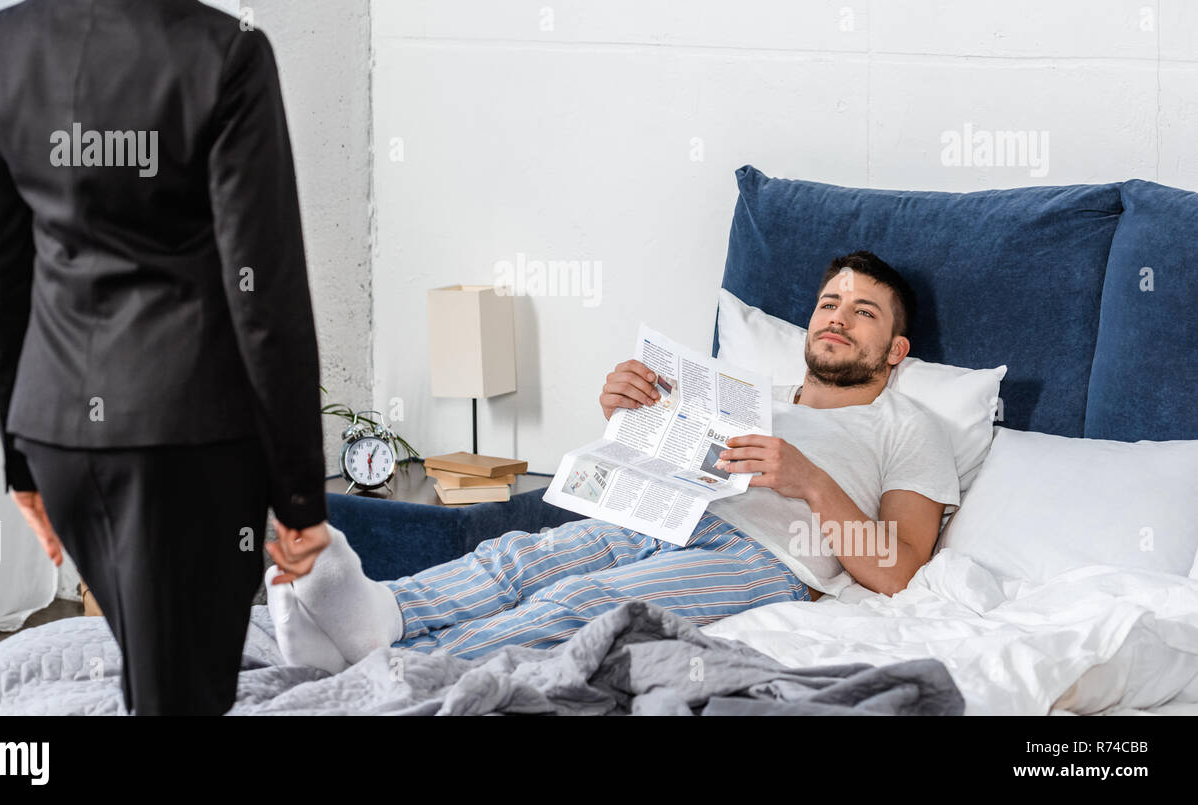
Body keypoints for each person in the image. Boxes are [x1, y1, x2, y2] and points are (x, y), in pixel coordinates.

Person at [0, 0, 331, 714]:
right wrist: (301, 494)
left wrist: (23, 463)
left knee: (156, 680)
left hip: (60, 437)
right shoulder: (227, 55)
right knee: (181, 697)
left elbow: (1, 273)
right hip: (184, 446)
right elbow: (265, 294)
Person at [265, 251, 961, 672]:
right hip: (668, 509)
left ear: (895, 350)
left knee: (583, 603)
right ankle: (374, 617)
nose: (837, 317)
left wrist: (809, 481)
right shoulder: (750, 397)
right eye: (828, 302)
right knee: (514, 560)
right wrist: (630, 415)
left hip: (766, 558)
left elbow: (898, 570)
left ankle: (398, 670)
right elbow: (660, 453)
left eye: (863, 311)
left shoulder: (907, 425)